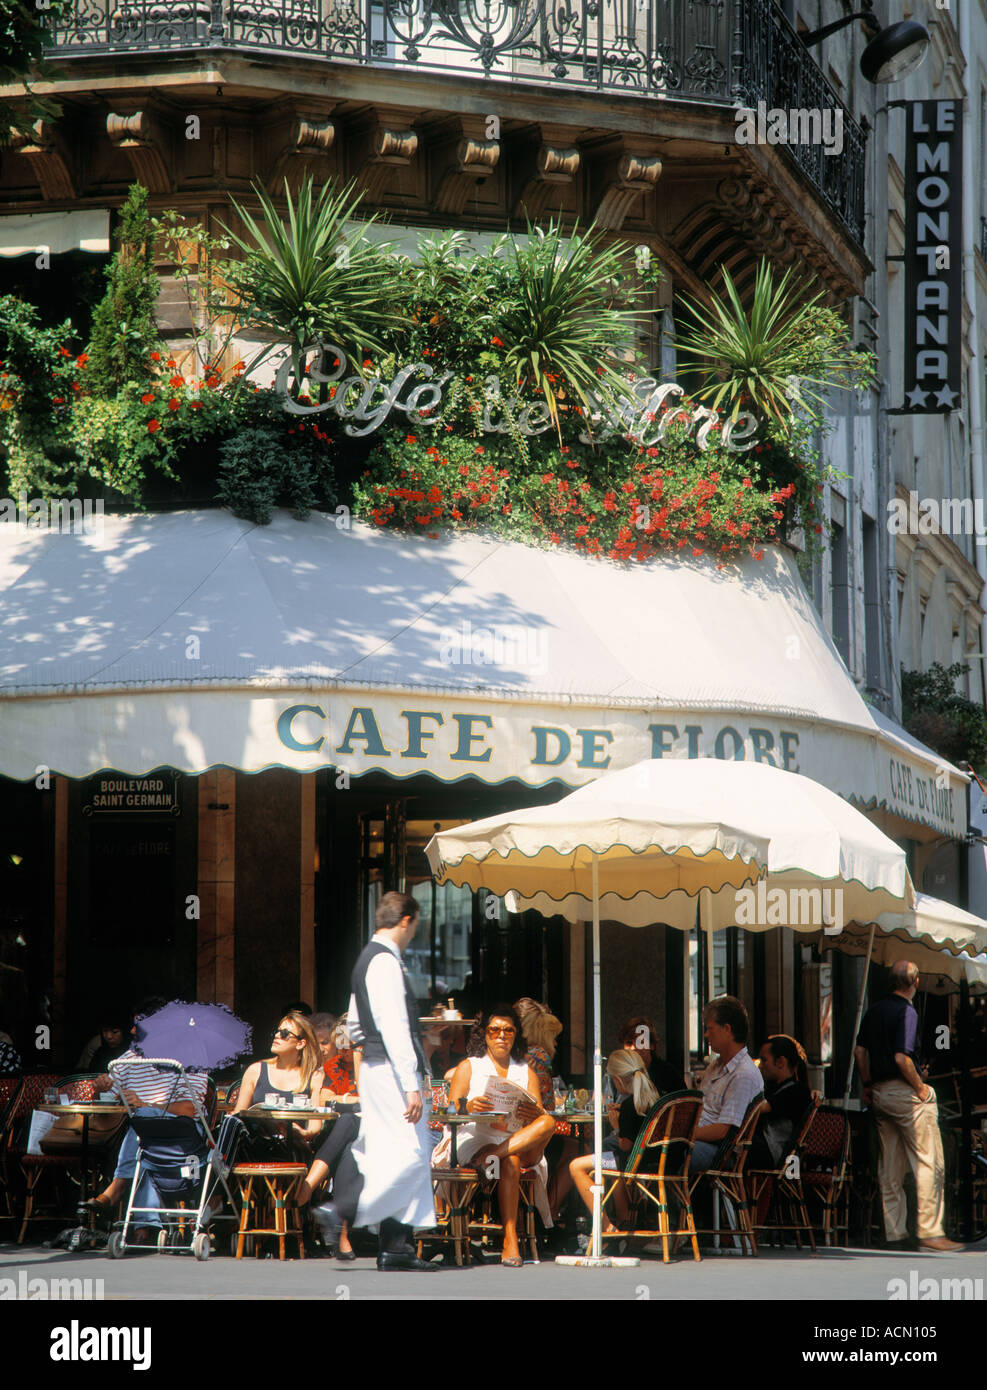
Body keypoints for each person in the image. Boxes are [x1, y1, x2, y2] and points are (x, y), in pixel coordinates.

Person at [312, 891, 438, 1273]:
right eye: (414, 925)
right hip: (391, 1071)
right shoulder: (384, 962)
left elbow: (352, 1025)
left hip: (378, 1069)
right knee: (410, 1156)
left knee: (394, 1153)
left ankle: (396, 1246)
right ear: (405, 920)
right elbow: (396, 1027)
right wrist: (411, 1083)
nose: (414, 932)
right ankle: (342, 1209)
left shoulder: (367, 959)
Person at [854, 960, 963, 1252]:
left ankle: (894, 1233)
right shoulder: (908, 1011)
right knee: (929, 1161)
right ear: (914, 983)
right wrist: (920, 1086)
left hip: (878, 1093)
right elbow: (902, 1058)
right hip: (905, 1095)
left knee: (889, 1167)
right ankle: (930, 1231)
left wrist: (867, 1084)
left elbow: (859, 1051)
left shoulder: (874, 1009)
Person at [438, 1002, 556, 1265]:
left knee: (547, 1121)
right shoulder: (470, 1066)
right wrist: (468, 1105)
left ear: (515, 1035)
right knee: (510, 1162)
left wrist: (532, 1113)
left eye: (508, 1030)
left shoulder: (526, 1070)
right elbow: (451, 1110)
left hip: (513, 1139)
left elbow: (539, 1114)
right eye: (494, 1030)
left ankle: (495, 1155)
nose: (501, 1036)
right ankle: (510, 1238)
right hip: (478, 1137)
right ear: (485, 1034)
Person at [85, 1000, 209, 1233]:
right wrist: (101, 1086)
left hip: (185, 1134)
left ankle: (118, 1185)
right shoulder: (132, 1056)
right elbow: (110, 1095)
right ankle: (145, 1228)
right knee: (145, 1132)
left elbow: (189, 1109)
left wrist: (146, 1104)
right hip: (147, 1137)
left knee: (144, 1121)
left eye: (138, 1025)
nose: (132, 1031)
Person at [569, 1048, 660, 1232]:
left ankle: (605, 1225)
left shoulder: (628, 1106)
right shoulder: (655, 1100)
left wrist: (617, 1126)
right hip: (655, 1161)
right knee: (608, 1158)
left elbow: (625, 1145)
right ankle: (624, 1219)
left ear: (617, 1080)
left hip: (630, 1162)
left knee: (576, 1166)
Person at [691, 995, 764, 1172]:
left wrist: (685, 1134)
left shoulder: (743, 1074)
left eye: (710, 1028)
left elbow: (723, 1131)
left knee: (667, 1153)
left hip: (719, 1152)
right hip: (698, 1140)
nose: (706, 1034)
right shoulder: (715, 1066)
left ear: (727, 1029)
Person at [234, 1011, 324, 1153]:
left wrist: (302, 1133)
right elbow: (238, 1115)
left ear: (300, 1043)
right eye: (277, 1032)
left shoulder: (314, 1077)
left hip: (294, 1146)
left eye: (284, 1034)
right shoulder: (256, 1070)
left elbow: (315, 1124)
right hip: (256, 1146)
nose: (277, 1036)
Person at [748, 1034, 813, 1171]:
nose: (760, 1066)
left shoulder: (796, 1091)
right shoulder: (772, 1089)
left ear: (780, 1062)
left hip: (780, 1157)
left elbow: (759, 1108)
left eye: (764, 1060)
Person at [514, 998, 563, 1110]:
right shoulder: (539, 1055)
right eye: (552, 1037)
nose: (555, 1043)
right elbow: (547, 1103)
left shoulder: (509, 1052)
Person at [618, 1016, 686, 1096]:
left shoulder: (669, 1075)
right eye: (629, 1043)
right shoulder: (618, 1074)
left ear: (652, 1045)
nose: (634, 1048)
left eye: (641, 1042)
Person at [309, 1012, 355, 1096]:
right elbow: (325, 1099)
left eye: (325, 1043)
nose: (320, 1049)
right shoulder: (329, 1068)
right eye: (315, 1044)